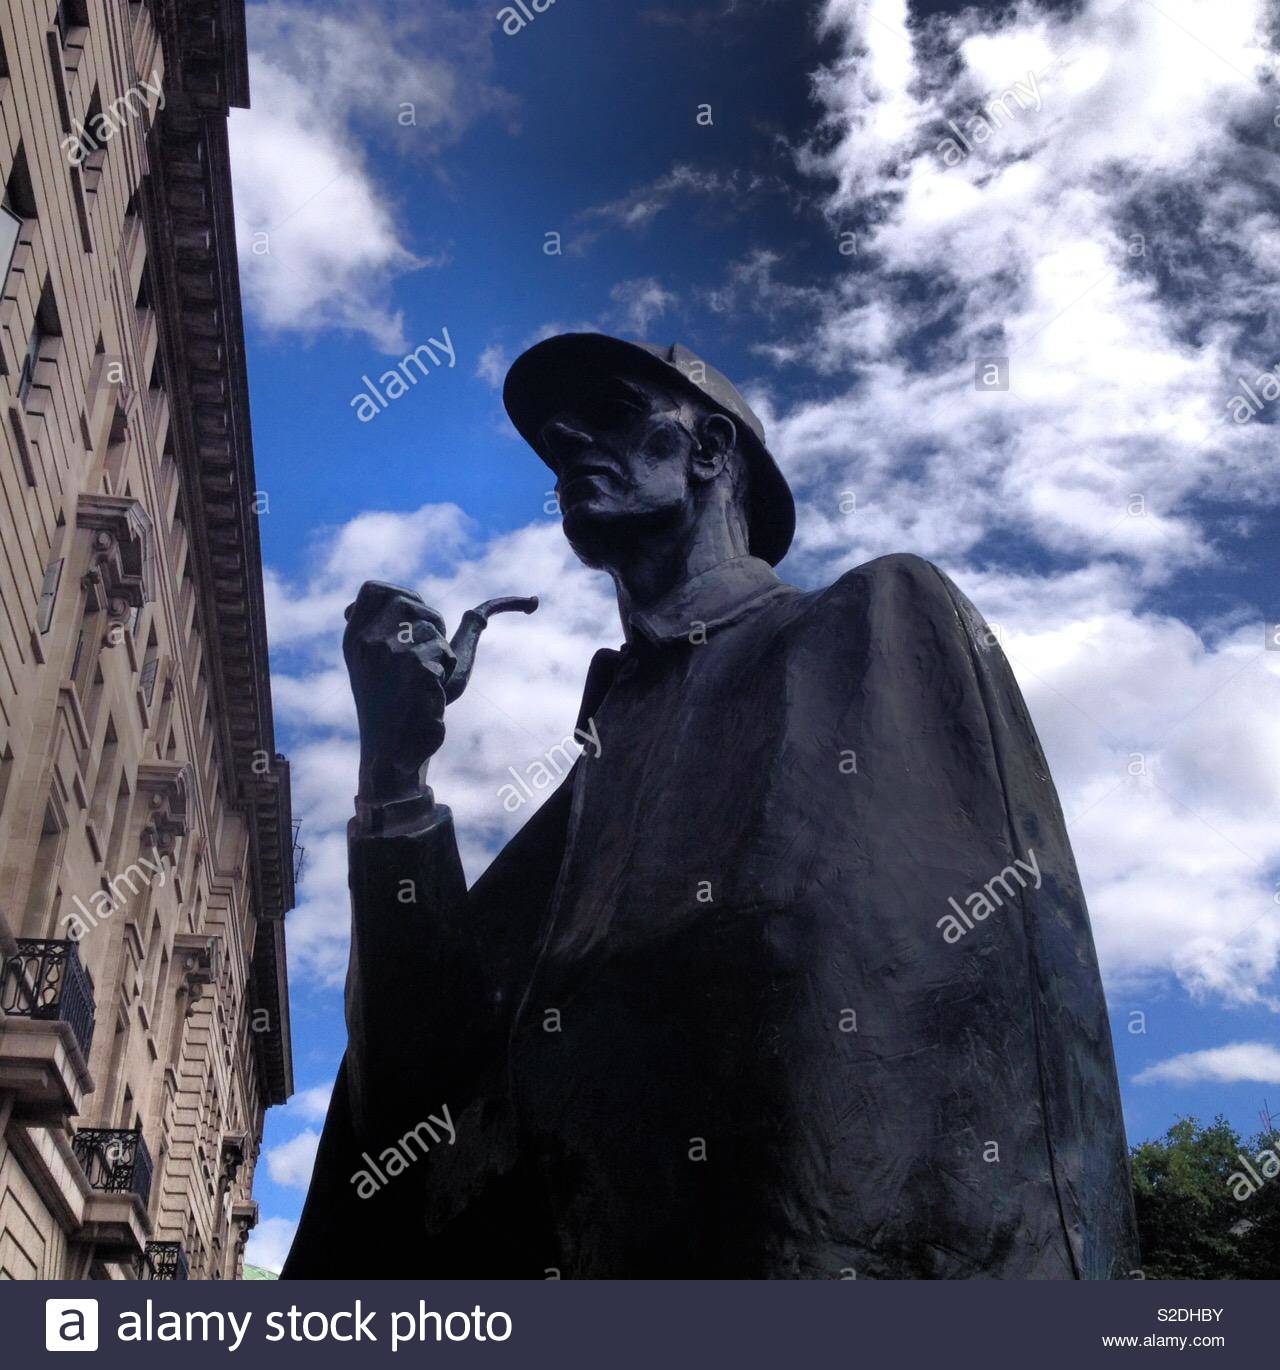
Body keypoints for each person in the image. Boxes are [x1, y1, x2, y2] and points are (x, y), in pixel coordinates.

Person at [282, 333, 1138, 1279]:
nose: (566, 439)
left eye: (609, 411)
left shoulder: (864, 629)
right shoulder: (581, 798)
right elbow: (406, 1098)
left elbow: (938, 1061)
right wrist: (394, 773)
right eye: (555, 439)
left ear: (710, 452)